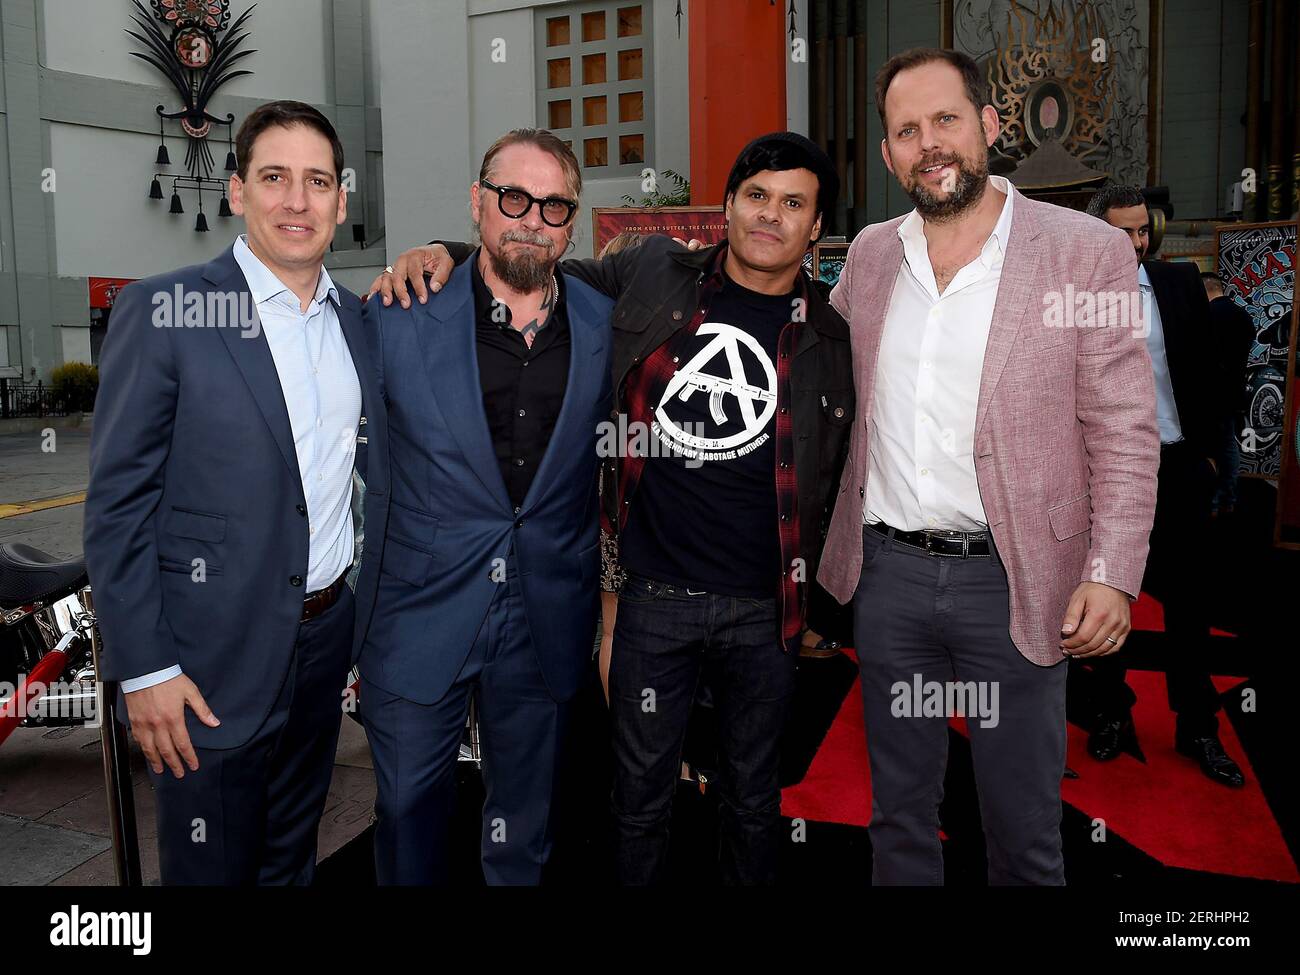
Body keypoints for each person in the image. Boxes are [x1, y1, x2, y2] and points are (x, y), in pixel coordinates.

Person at [372, 131, 853, 885]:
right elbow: (527, 264)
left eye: (793, 203)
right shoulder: (651, 272)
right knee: (630, 805)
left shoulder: (830, 335)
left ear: (817, 225)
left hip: (765, 608)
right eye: (756, 196)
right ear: (727, 206)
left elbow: (842, 467)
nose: (770, 216)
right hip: (651, 600)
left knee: (753, 802)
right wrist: (441, 250)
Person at [815, 48, 1159, 885]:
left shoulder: (1087, 254)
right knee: (897, 819)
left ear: (989, 127)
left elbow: (1124, 425)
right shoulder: (866, 257)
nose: (928, 143)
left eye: (946, 120)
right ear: (890, 152)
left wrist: (1111, 573)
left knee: (1022, 833)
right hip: (888, 577)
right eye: (906, 130)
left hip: (1016, 579)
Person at [84, 100, 388, 884]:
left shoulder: (358, 322)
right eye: (275, 177)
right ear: (236, 190)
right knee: (212, 869)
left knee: (291, 862)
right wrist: (143, 670)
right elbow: (118, 507)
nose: (298, 200)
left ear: (342, 200)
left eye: (318, 181)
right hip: (203, 665)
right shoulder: (166, 310)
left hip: (323, 647)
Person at [357, 128, 614, 885]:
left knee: (524, 827)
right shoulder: (398, 311)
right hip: (418, 607)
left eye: (554, 205)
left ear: (573, 221)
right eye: (513, 198)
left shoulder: (604, 323)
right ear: (477, 204)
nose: (531, 218)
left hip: (544, 614)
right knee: (407, 812)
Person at [1080, 186, 1245, 788]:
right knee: (1106, 596)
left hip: (1175, 466)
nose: (1134, 242)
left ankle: (1198, 725)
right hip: (1105, 473)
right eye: (1120, 231)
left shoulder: (1177, 285)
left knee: (1191, 604)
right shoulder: (1072, 299)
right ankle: (1110, 713)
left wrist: (1207, 457)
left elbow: (1207, 371)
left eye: (1141, 231)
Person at [1201, 270, 1255, 518]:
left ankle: (1210, 502)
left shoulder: (1207, 316)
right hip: (1234, 393)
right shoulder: (1244, 316)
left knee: (1207, 449)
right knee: (1229, 447)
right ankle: (1229, 498)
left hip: (1210, 394)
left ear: (1205, 289)